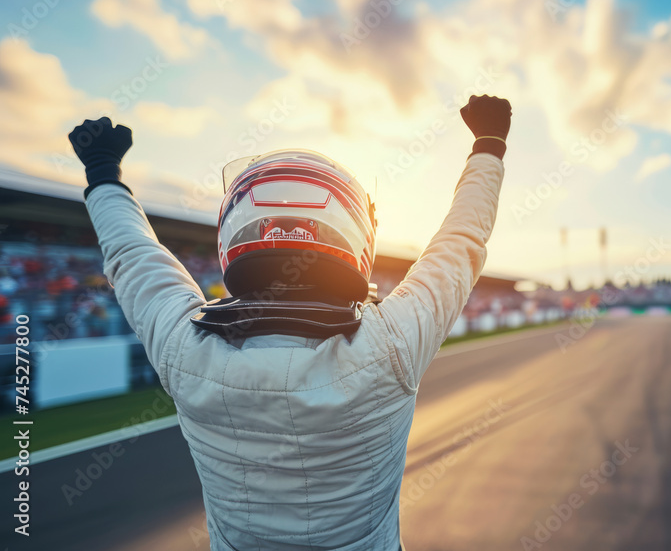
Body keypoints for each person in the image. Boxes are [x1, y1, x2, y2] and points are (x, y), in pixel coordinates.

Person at [68, 95, 512, 551]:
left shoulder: (185, 348)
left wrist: (103, 171)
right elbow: (462, 243)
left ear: (235, 235)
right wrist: (489, 143)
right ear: (356, 241)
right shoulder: (390, 344)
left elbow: (132, 257)